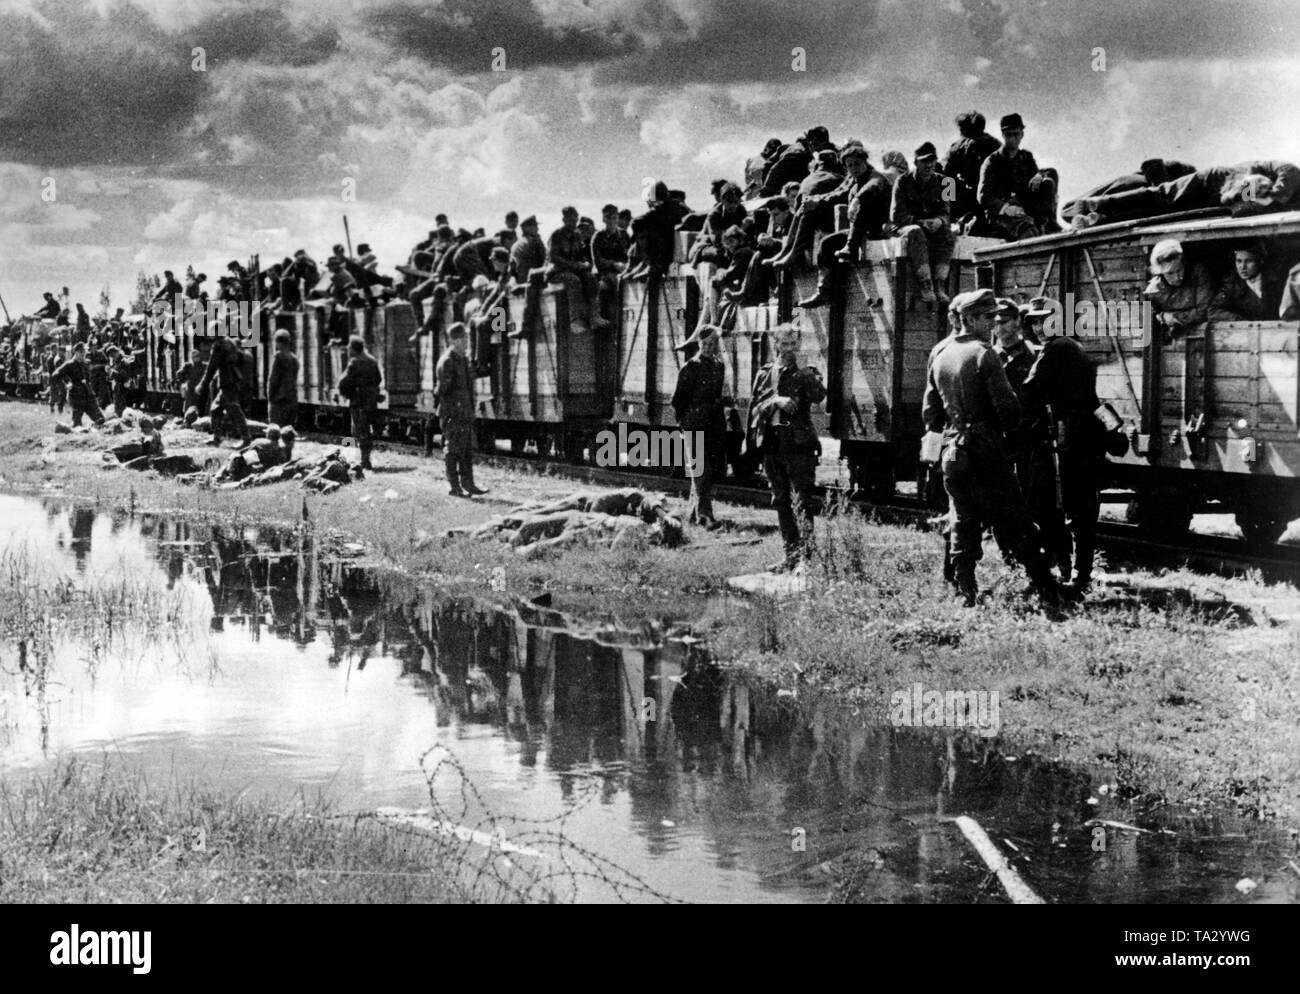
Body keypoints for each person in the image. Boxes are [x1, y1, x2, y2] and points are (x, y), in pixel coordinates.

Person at [921, 288, 1059, 607]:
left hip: (953, 453)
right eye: (986, 318)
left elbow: (931, 410)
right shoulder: (985, 354)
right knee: (1017, 522)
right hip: (986, 453)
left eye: (994, 318)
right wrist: (1013, 443)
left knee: (964, 522)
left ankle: (964, 591)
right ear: (968, 318)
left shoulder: (940, 353)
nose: (992, 324)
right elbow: (1007, 409)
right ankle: (1047, 589)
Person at [1021, 314, 1117, 594]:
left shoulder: (1056, 348)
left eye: (1045, 322)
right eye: (1035, 323)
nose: (1039, 329)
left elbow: (1030, 389)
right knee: (1083, 511)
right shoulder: (1076, 347)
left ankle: (1062, 568)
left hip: (1065, 441)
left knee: (1054, 506)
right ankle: (1081, 572)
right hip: (1086, 438)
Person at [747, 324, 826, 572]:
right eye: (785, 344)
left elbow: (819, 395)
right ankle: (791, 556)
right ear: (776, 345)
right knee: (781, 501)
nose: (790, 349)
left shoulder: (804, 371)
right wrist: (775, 401)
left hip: (798, 446)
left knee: (801, 501)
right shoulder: (765, 374)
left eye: (794, 344)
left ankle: (807, 560)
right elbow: (755, 408)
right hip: (772, 444)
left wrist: (805, 371)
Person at [795, 146, 892, 307]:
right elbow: (837, 194)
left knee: (864, 206)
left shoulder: (876, 177)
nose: (854, 168)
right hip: (858, 232)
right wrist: (817, 200)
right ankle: (823, 291)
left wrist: (857, 200)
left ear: (865, 162)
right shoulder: (853, 182)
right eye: (850, 165)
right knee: (826, 244)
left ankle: (850, 247)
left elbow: (872, 188)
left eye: (857, 163)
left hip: (878, 229)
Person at [1076, 160, 1300, 226]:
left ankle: (1102, 218)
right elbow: (1288, 170)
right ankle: (1101, 203)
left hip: (1218, 198)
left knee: (1167, 215)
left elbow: (1237, 204)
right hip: (1210, 181)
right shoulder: (1284, 173)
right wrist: (1273, 198)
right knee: (1163, 195)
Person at [672, 324, 728, 526]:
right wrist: (685, 424)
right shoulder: (690, 367)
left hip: (713, 424)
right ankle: (705, 516)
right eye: (705, 343)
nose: (709, 347)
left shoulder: (718, 366)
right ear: (698, 343)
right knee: (700, 471)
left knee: (707, 471)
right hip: (694, 424)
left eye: (713, 343)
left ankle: (694, 514)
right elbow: (678, 400)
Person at [890, 141, 955, 305]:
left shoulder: (948, 182)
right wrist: (920, 222)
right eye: (924, 161)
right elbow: (896, 215)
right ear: (915, 163)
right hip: (908, 227)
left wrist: (939, 221)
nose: (929, 165)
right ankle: (926, 284)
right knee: (915, 231)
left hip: (934, 229)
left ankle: (939, 286)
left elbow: (948, 213)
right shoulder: (902, 181)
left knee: (949, 234)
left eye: (932, 160)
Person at [977, 113, 1059, 240]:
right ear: (1002, 135)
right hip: (1001, 215)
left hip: (1024, 208)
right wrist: (1005, 208)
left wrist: (1039, 175)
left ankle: (1047, 224)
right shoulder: (992, 162)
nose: (1012, 139)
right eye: (1008, 134)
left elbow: (1041, 180)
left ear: (1022, 134)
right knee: (1028, 231)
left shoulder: (1026, 157)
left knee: (1048, 181)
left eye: (1016, 134)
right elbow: (983, 196)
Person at [1062, 159, 1196, 225]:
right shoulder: (1187, 173)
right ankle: (1094, 214)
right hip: (1141, 185)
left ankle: (1094, 215)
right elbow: (1153, 166)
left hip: (1138, 185)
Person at [435, 323, 485, 497]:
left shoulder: (463, 359)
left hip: (465, 411)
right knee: (453, 450)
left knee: (466, 450)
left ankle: (468, 484)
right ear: (455, 340)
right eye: (464, 338)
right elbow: (441, 390)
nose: (467, 341)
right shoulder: (448, 361)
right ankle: (454, 486)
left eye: (467, 338)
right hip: (453, 412)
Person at [546, 207, 607, 328]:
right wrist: (574, 265)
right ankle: (575, 320)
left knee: (590, 278)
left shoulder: (577, 235)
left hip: (572, 270)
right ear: (564, 220)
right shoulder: (557, 235)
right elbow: (554, 258)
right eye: (570, 220)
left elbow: (581, 255)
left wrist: (585, 263)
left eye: (575, 220)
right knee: (573, 280)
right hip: (556, 272)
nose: (573, 223)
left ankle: (594, 316)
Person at [1143, 239, 1215, 336]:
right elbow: (1151, 315)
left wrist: (1173, 317)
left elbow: (1204, 311)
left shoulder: (1199, 273)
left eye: (1179, 270)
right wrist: (1161, 317)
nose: (1177, 277)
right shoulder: (1154, 286)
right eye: (1170, 273)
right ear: (1160, 272)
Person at [943, 111, 1002, 228]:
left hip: (973, 196)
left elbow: (944, 169)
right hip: (993, 196)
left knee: (947, 181)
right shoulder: (996, 143)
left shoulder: (959, 145)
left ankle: (949, 219)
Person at [337, 335, 383, 470]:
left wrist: (348, 394)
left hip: (358, 402)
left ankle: (364, 461)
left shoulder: (354, 362)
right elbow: (378, 379)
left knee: (360, 431)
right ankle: (365, 458)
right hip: (371, 401)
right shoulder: (372, 360)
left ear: (353, 348)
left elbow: (343, 383)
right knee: (367, 431)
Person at [197, 335, 252, 447]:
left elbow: (211, 368)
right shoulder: (229, 342)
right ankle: (217, 438)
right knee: (215, 409)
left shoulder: (218, 346)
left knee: (234, 411)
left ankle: (246, 438)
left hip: (227, 382)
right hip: (233, 380)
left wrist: (202, 385)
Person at [1209, 243, 1282, 321]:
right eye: (1239, 261)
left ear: (1260, 261)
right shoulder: (1232, 285)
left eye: (1249, 261)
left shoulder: (1275, 281)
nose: (1242, 267)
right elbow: (1212, 311)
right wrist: (1237, 319)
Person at [758, 125, 832, 198]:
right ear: (813, 142)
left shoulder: (805, 149)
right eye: (821, 146)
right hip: (779, 191)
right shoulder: (797, 153)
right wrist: (767, 192)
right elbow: (776, 171)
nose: (821, 150)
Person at [52, 342, 106, 427]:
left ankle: (92, 427)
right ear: (76, 352)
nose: (83, 354)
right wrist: (66, 384)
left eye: (84, 351)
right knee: (77, 425)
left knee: (101, 420)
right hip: (76, 398)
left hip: (88, 397)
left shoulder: (86, 363)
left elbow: (87, 379)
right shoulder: (69, 364)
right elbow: (55, 375)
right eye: (81, 352)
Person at [591, 204, 630, 320]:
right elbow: (597, 261)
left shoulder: (624, 235)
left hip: (623, 270)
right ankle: (616, 317)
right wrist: (614, 264)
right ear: (604, 219)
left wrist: (625, 265)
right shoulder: (598, 236)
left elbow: (629, 253)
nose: (612, 221)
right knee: (613, 282)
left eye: (614, 217)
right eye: (609, 218)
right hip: (605, 274)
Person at [267, 328, 299, 427]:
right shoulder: (294, 358)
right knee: (288, 431)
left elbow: (273, 379)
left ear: (277, 342)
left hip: (278, 400)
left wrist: (270, 397)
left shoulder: (278, 357)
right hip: (291, 399)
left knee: (275, 429)